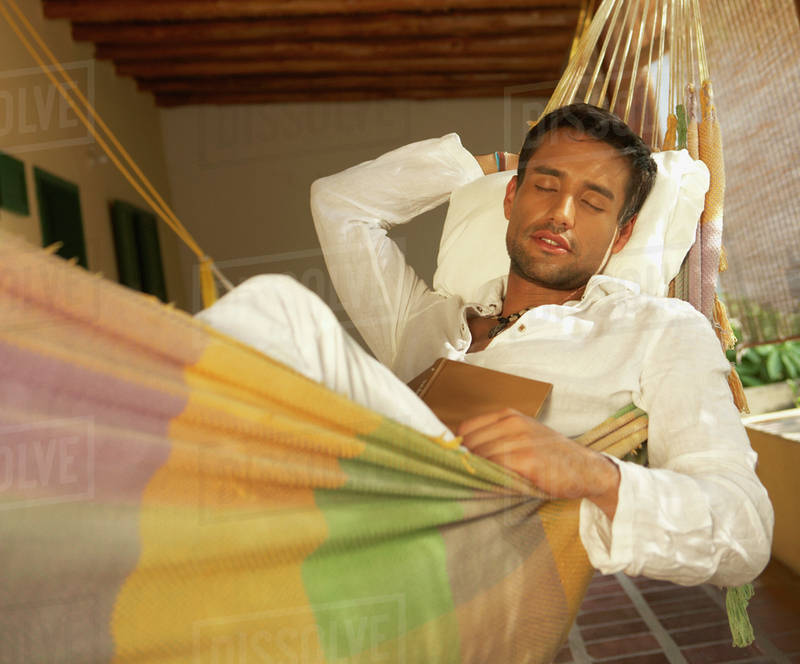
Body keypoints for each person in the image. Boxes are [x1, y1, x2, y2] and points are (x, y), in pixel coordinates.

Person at [197, 104, 772, 589]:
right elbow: (340, 204)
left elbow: (743, 531)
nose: (560, 213)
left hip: (472, 565)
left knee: (281, 308)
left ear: (621, 235)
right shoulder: (424, 323)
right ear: (510, 198)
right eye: (545, 186)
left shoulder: (656, 330)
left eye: (593, 202)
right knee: (273, 308)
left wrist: (592, 474)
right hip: (357, 507)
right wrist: (496, 163)